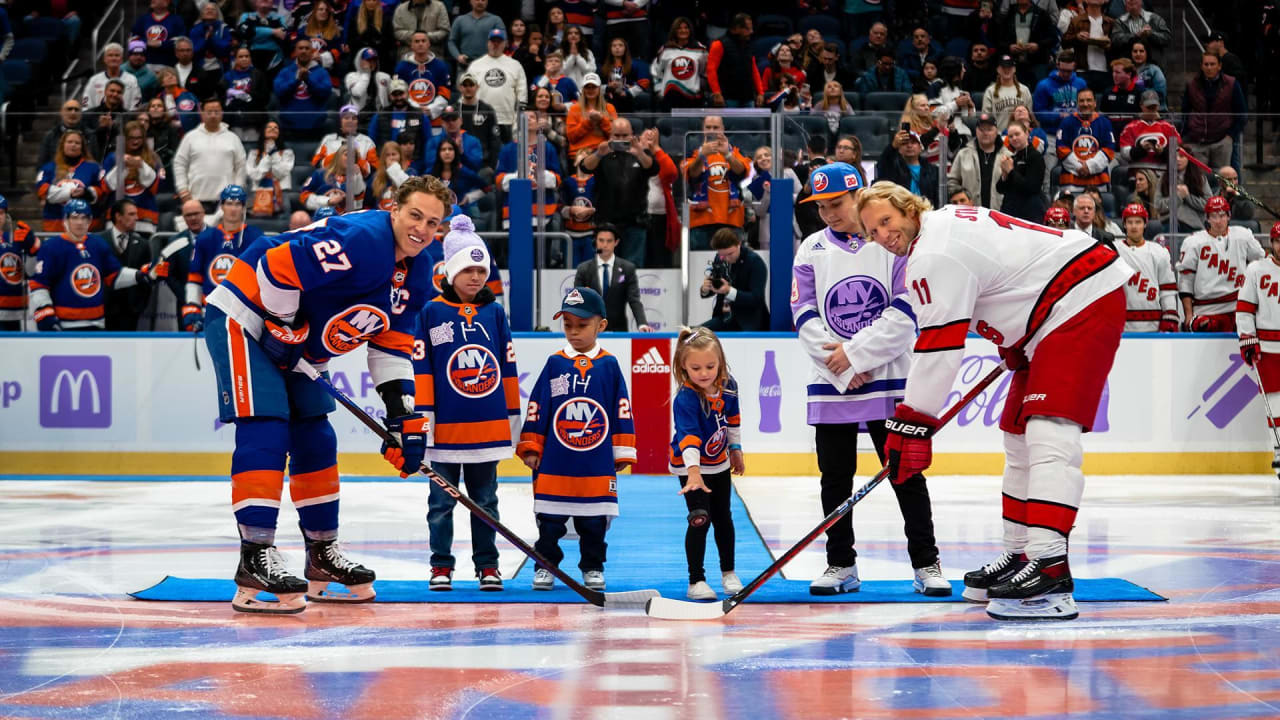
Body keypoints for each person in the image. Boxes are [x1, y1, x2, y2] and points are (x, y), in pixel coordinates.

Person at [856, 185, 1129, 621]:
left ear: (908, 207)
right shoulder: (941, 228)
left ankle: (1050, 569)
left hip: (1080, 297)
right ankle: (1022, 555)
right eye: (872, 232)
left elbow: (940, 345)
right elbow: (1006, 274)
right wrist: (1017, 334)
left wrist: (911, 422)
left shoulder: (933, 253)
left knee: (1047, 432)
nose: (882, 236)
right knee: (1017, 435)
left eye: (886, 221)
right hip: (1050, 311)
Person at [201, 175, 450, 613]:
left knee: (316, 434)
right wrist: (283, 323)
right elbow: (276, 266)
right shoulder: (365, 240)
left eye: (433, 222)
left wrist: (401, 415)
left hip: (297, 342)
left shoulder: (420, 268)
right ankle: (254, 557)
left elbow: (391, 345)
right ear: (394, 208)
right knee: (267, 426)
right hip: (247, 316)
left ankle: (321, 556)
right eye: (415, 215)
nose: (423, 229)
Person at [792, 163, 949, 597]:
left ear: (858, 196)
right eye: (820, 206)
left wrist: (857, 355)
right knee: (834, 478)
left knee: (905, 473)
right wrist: (839, 366)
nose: (828, 213)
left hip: (889, 378)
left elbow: (905, 310)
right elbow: (804, 314)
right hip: (833, 381)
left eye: (836, 204)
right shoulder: (811, 249)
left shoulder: (891, 243)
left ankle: (926, 562)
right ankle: (840, 563)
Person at [412, 214, 520, 592]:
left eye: (481, 270)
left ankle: (487, 565)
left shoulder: (495, 313)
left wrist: (512, 420)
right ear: (451, 271)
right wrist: (424, 422)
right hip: (444, 432)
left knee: (485, 502)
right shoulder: (431, 312)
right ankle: (441, 565)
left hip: (487, 430)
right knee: (440, 504)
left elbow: (507, 367)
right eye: (468, 269)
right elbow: (422, 370)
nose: (476, 277)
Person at [518, 286, 637, 591]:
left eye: (582, 325)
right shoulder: (556, 363)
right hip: (557, 459)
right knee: (550, 520)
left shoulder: (608, 365)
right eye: (568, 325)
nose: (574, 332)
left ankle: (593, 565)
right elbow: (538, 405)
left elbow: (620, 407)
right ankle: (545, 564)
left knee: (594, 521)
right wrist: (532, 444)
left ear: (602, 325)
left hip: (595, 462)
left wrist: (621, 451)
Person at [669, 325, 743, 600]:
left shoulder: (730, 386)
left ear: (720, 362)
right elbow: (689, 437)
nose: (704, 373)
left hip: (719, 463)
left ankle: (728, 572)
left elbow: (733, 420)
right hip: (690, 466)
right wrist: (693, 473)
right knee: (700, 518)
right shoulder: (686, 399)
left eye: (710, 366)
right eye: (696, 368)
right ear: (684, 367)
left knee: (724, 518)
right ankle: (696, 580)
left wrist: (735, 449)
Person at [30, 200, 160, 331]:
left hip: (96, 323)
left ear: (90, 220)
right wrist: (44, 313)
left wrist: (140, 275)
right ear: (66, 220)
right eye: (75, 218)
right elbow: (39, 284)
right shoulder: (51, 247)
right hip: (65, 324)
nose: (80, 222)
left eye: (83, 217)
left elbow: (115, 275)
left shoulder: (98, 244)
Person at [182, 185, 264, 332]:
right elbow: (195, 278)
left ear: (244, 207)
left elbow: (262, 279)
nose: (233, 209)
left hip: (244, 312)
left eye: (238, 204)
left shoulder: (256, 237)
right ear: (222, 206)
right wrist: (192, 306)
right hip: (211, 310)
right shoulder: (205, 238)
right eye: (229, 203)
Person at [1177, 195, 1265, 332]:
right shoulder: (1193, 242)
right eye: (1214, 216)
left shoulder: (1243, 236)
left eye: (1222, 215)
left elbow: (1261, 262)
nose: (1218, 221)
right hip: (1207, 310)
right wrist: (1188, 315)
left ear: (1229, 216)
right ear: (1207, 218)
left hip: (1238, 307)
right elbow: (1185, 280)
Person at [579, 117, 656, 268]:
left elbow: (653, 168)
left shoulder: (641, 153)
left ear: (632, 135)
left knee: (632, 269)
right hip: (606, 224)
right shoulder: (602, 152)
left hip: (635, 223)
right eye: (617, 136)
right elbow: (584, 167)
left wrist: (639, 152)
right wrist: (599, 154)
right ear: (610, 136)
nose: (621, 139)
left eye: (625, 135)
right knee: (604, 268)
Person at [1236, 222, 1280, 469]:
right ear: (1271, 243)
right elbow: (1244, 309)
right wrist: (1248, 338)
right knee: (1275, 402)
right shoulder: (1256, 270)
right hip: (1270, 348)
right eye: (1277, 241)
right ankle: (1278, 449)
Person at [683, 116, 749, 250]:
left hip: (731, 220)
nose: (711, 131)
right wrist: (702, 155)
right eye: (708, 127)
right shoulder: (693, 153)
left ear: (723, 129)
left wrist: (727, 155)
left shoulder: (736, 151)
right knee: (701, 268)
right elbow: (692, 174)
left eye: (716, 127)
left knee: (732, 267)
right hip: (701, 221)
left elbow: (741, 172)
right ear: (703, 130)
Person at [573, 224, 651, 332]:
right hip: (589, 331)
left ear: (616, 242)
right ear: (595, 241)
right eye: (601, 240)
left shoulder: (628, 268)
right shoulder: (584, 269)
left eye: (609, 241)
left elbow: (634, 300)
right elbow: (577, 302)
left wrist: (642, 323)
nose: (604, 245)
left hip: (618, 331)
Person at [173, 98, 247, 212]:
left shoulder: (233, 138)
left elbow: (241, 166)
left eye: (217, 112)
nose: (213, 115)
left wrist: (237, 191)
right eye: (209, 112)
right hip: (195, 199)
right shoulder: (190, 137)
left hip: (227, 202)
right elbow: (179, 164)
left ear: (222, 113)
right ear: (201, 113)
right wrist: (183, 190)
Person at [1113, 202, 1177, 332]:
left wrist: (1170, 317)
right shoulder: (1114, 250)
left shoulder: (1159, 251)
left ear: (1145, 224)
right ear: (1124, 224)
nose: (1134, 226)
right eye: (1130, 222)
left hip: (1153, 324)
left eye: (1138, 222)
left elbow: (1167, 290)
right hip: (1122, 325)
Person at [1180, 52, 1246, 172]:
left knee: (1223, 178)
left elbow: (1241, 113)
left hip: (1222, 140)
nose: (1209, 67)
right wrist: (1186, 135)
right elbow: (1185, 112)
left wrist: (1230, 136)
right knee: (1198, 180)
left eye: (1212, 64)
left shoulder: (1231, 83)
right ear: (1201, 66)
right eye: (1206, 64)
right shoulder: (1192, 85)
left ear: (1219, 66)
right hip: (1197, 141)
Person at [101, 200, 156, 331]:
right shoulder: (99, 241)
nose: (136, 218)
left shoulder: (143, 244)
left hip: (130, 311)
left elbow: (146, 279)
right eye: (131, 214)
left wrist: (139, 306)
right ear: (118, 216)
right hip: (103, 309)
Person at [101, 121, 164, 235]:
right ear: (124, 138)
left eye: (139, 138)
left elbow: (155, 187)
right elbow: (106, 187)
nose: (135, 141)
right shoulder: (112, 158)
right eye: (131, 138)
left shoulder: (153, 158)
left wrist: (141, 166)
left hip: (145, 218)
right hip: (116, 218)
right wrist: (121, 165)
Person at [700, 227, 768, 331]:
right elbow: (718, 286)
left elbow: (757, 298)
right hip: (723, 317)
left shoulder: (754, 262)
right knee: (694, 335)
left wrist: (729, 291)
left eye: (730, 254)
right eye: (722, 255)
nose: (726, 258)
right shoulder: (719, 258)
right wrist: (706, 289)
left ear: (739, 244)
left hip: (749, 322)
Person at [466, 27, 528, 140]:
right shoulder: (475, 65)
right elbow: (468, 93)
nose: (495, 44)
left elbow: (522, 93)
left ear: (505, 44)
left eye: (499, 42)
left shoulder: (515, 65)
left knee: (507, 154)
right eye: (493, 41)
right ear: (488, 43)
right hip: (482, 119)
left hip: (507, 119)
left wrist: (518, 119)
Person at [35, 130, 101, 233]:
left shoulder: (94, 168)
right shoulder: (48, 168)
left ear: (82, 147)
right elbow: (42, 191)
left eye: (77, 143)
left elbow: (101, 191)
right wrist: (70, 193)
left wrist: (87, 193)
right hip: (55, 225)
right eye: (69, 142)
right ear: (62, 145)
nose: (73, 145)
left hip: (86, 226)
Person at [1055, 88, 1116, 193]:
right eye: (1082, 101)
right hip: (1071, 182)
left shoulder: (1104, 123)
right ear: (1077, 103)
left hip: (1099, 183)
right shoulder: (1066, 122)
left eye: (1089, 100)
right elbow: (1061, 148)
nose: (1085, 104)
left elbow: (1109, 149)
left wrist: (1089, 166)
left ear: (1095, 103)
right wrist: (1079, 167)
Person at [273, 37, 333, 141]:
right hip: (289, 127)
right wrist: (296, 80)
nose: (304, 51)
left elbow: (325, 93)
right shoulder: (285, 71)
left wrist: (308, 81)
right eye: (300, 48)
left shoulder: (322, 72)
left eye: (307, 48)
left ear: (312, 52)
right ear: (295, 51)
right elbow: (279, 92)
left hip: (315, 127)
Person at [949, 113, 1010, 210]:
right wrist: (963, 198)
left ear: (996, 132)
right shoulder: (963, 154)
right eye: (981, 129)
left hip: (999, 216)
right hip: (969, 216)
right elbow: (952, 182)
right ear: (976, 131)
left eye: (989, 129)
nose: (985, 133)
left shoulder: (1008, 156)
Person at [0, 195, 39, 331]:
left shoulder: (17, 238)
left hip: (16, 312)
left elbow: (30, 272)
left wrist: (31, 250)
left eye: (1, 213)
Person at [706, 13, 762, 108]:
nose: (751, 32)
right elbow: (711, 70)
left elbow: (753, 69)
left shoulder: (748, 44)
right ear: (736, 29)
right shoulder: (719, 44)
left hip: (748, 98)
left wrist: (760, 92)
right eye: (748, 29)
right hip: (728, 98)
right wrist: (716, 93)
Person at [996, 119, 1046, 222]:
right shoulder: (1013, 158)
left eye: (1017, 134)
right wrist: (1004, 175)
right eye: (1010, 136)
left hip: (1029, 214)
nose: (1014, 138)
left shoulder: (1035, 157)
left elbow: (1032, 188)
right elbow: (1000, 189)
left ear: (1027, 133)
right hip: (1011, 212)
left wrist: (1010, 171)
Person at [651, 16, 706, 110]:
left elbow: (704, 71)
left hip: (692, 96)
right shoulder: (665, 49)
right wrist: (659, 90)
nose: (683, 30)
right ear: (674, 31)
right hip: (670, 95)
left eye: (686, 27)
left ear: (690, 30)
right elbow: (656, 71)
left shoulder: (700, 49)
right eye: (679, 28)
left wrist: (700, 88)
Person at [876, 129, 940, 208]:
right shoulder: (893, 168)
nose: (909, 146)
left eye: (913, 143)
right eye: (904, 143)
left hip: (927, 213)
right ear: (899, 149)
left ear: (920, 148)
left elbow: (938, 198)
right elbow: (883, 164)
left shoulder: (933, 171)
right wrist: (892, 146)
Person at [395, 30, 451, 120]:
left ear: (429, 44)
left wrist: (431, 109)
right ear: (411, 45)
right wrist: (416, 109)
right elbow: (399, 94)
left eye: (423, 41)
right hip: (408, 118)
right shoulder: (402, 67)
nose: (420, 44)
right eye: (417, 41)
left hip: (435, 120)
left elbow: (445, 93)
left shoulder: (440, 66)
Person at [1117, 91, 1178, 173]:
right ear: (1141, 106)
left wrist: (1162, 152)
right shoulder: (1130, 127)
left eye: (1154, 107)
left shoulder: (1169, 127)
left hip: (1163, 172)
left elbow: (1178, 152)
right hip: (1138, 171)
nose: (1151, 110)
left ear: (1158, 106)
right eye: (1149, 107)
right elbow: (1124, 153)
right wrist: (1141, 150)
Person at [312, 105, 378, 178]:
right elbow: (316, 163)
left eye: (354, 118)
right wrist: (337, 157)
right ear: (340, 122)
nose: (350, 121)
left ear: (357, 123)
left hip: (357, 182)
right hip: (331, 181)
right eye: (346, 118)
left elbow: (375, 168)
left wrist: (356, 160)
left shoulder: (367, 141)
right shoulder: (328, 140)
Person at [245, 121, 293, 218]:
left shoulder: (287, 153)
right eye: (269, 127)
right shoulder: (253, 153)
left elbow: (280, 173)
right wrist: (269, 155)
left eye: (276, 127)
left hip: (281, 194)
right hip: (258, 193)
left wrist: (273, 153)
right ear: (263, 131)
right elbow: (256, 176)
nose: (272, 129)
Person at [300, 144, 368, 213]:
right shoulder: (319, 174)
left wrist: (358, 177)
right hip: (322, 217)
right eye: (347, 155)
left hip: (346, 219)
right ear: (338, 157)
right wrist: (328, 201)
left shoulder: (356, 178)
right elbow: (304, 197)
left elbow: (359, 206)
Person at [1032, 50, 1087, 134]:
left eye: (1069, 71)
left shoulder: (1080, 83)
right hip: (1052, 133)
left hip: (1076, 131)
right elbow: (1038, 113)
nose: (1065, 74)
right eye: (1063, 70)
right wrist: (1060, 115)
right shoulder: (1044, 85)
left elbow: (1087, 108)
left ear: (1074, 66)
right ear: (1057, 65)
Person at [221, 46, 270, 136]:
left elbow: (265, 98)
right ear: (235, 59)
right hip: (233, 121)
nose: (244, 59)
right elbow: (222, 98)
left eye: (247, 56)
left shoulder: (259, 75)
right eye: (241, 56)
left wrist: (241, 94)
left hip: (253, 121)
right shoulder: (227, 76)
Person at [565, 73, 616, 159]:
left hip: (603, 151)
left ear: (599, 89)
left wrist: (602, 120)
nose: (590, 90)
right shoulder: (574, 109)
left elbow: (615, 134)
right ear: (583, 89)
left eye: (594, 87)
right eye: (587, 87)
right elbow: (571, 137)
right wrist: (589, 121)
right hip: (580, 152)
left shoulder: (609, 107)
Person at [84, 43, 142, 112]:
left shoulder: (131, 80)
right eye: (110, 55)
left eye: (117, 55)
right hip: (97, 120)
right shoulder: (94, 80)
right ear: (104, 59)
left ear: (122, 59)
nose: (113, 58)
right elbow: (87, 106)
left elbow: (135, 106)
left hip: (124, 120)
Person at [447, 0, 504, 69]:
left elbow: (503, 41)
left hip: (489, 66)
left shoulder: (496, 20)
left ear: (487, 2)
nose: (480, 2)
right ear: (470, 1)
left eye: (483, 0)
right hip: (465, 66)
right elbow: (451, 41)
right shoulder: (460, 20)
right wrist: (458, 56)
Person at [40, 100, 98, 168]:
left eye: (76, 110)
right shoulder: (51, 136)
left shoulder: (91, 136)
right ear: (62, 112)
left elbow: (96, 162)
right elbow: (42, 164)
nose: (73, 112)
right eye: (69, 109)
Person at [1110, 0, 1170, 65]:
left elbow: (1167, 38)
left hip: (1152, 64)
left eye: (1135, 3)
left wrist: (1151, 34)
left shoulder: (1155, 19)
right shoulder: (1120, 21)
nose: (1132, 5)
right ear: (1125, 5)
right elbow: (1115, 40)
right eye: (1130, 3)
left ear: (1141, 2)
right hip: (1128, 66)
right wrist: (1136, 35)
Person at [131, 0, 187, 68]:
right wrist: (147, 42)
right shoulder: (143, 19)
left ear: (166, 3)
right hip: (145, 65)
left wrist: (160, 44)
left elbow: (180, 42)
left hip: (169, 65)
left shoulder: (176, 20)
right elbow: (134, 39)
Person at [1099, 58, 1142, 135]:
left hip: (1133, 133)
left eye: (1118, 72)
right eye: (1113, 72)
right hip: (1112, 133)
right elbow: (1103, 116)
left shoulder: (1139, 92)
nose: (1114, 75)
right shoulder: (1108, 92)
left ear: (1128, 74)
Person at [346, 47, 391, 114]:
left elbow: (392, 94)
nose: (372, 63)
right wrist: (366, 73)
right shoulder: (351, 76)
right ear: (360, 61)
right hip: (358, 116)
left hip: (380, 116)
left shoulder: (384, 77)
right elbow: (357, 93)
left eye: (374, 60)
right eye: (369, 60)